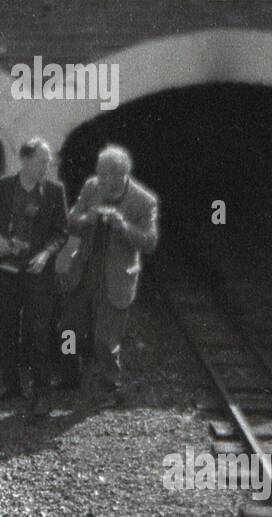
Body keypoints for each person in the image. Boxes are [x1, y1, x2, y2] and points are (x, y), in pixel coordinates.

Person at [56, 144, 159, 406]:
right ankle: (69, 375)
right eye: (99, 175)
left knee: (105, 339)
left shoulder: (143, 201)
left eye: (106, 177)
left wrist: (123, 227)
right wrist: (88, 217)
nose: (101, 182)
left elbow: (149, 242)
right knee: (68, 327)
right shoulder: (92, 187)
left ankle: (110, 389)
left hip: (116, 278)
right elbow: (70, 221)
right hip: (85, 270)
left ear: (122, 175)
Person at [0, 137, 69, 418]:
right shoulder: (0, 188)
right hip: (7, 272)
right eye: (42, 162)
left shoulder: (54, 192)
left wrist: (45, 255)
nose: (47, 167)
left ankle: (42, 395)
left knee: (38, 334)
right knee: (7, 329)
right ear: (26, 160)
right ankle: (12, 385)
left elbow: (61, 232)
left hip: (37, 275)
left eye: (48, 163)